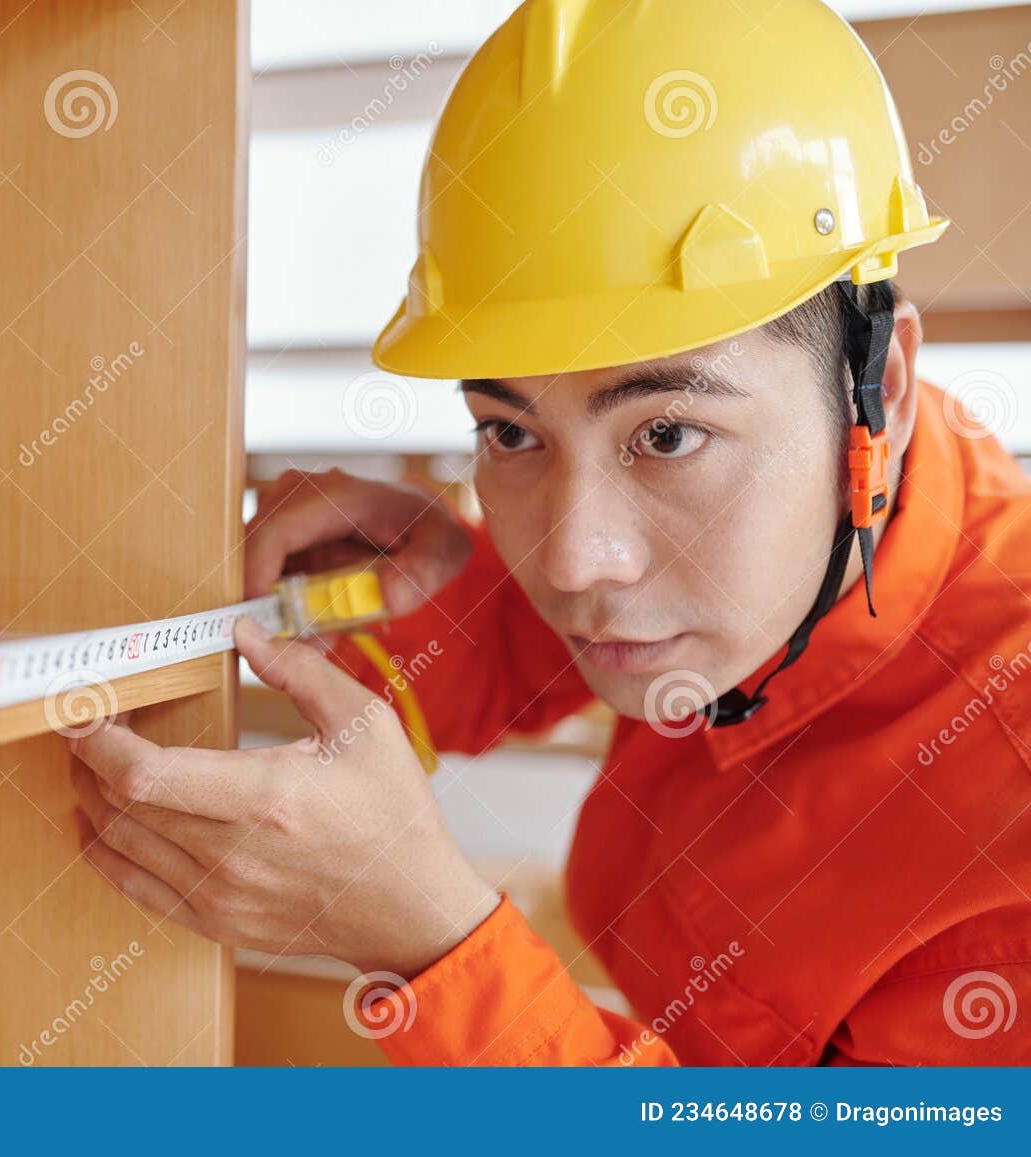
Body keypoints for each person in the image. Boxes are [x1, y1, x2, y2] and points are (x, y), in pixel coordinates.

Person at [68, 0, 1031, 1064]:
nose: (572, 559)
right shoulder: (824, 521)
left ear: (875, 390)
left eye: (665, 432)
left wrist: (435, 947)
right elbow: (529, 650)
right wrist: (418, 592)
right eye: (510, 431)